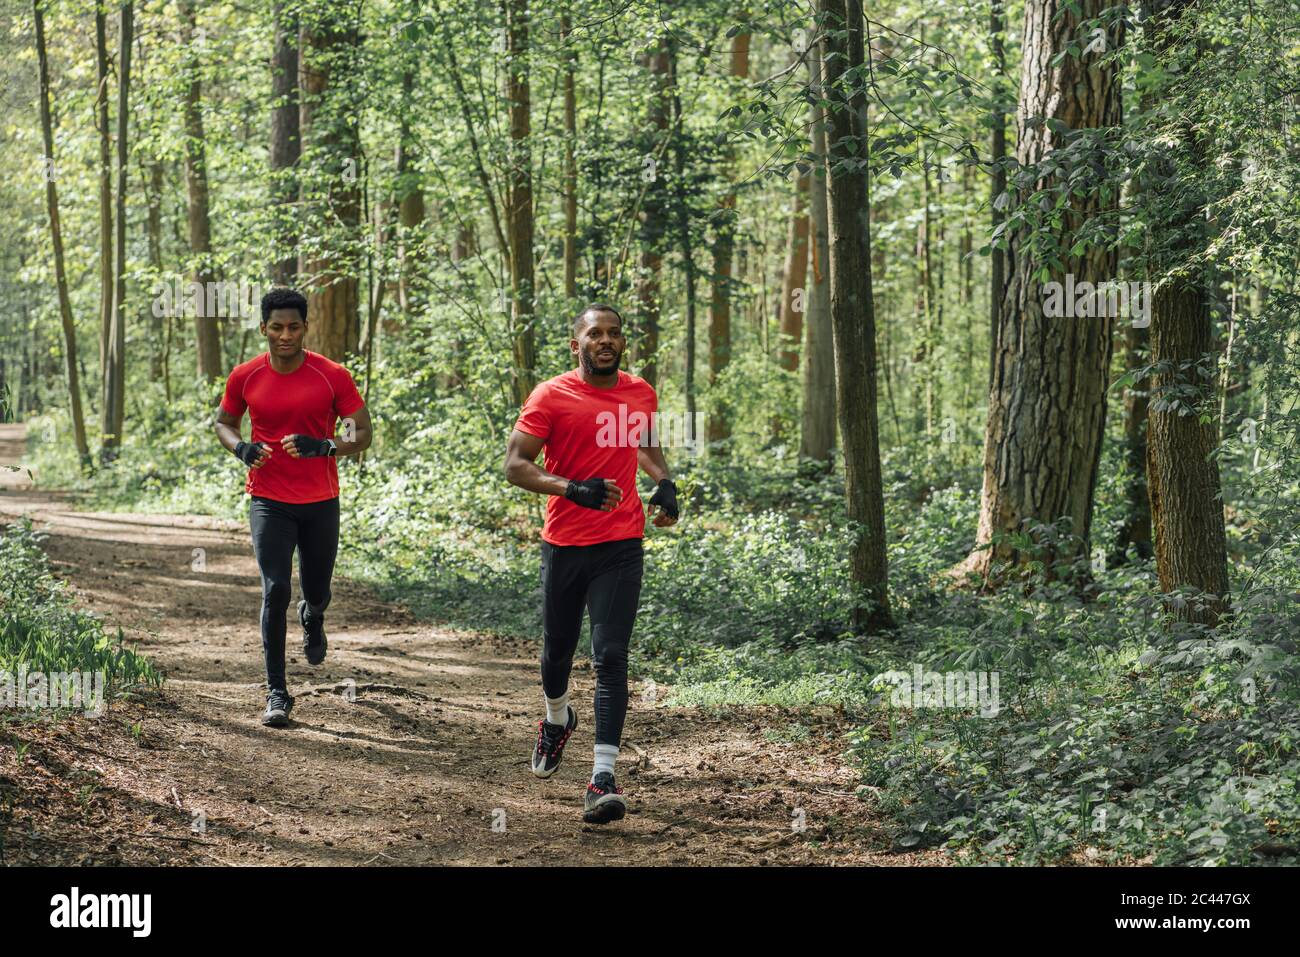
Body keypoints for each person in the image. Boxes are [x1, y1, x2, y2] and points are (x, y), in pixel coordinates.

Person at [504, 303, 680, 823]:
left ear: (623, 343)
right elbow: (515, 465)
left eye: (614, 334)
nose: (605, 341)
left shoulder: (639, 391)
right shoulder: (551, 395)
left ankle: (602, 777)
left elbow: (643, 443)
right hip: (564, 542)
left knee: (610, 655)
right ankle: (557, 720)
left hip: (621, 543)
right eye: (594, 334)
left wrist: (663, 482)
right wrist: (572, 489)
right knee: (557, 651)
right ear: (575, 343)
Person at [214, 287, 373, 727]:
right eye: (277, 327)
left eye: (294, 327)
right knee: (275, 589)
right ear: (263, 328)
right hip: (268, 500)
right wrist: (242, 449)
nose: (286, 335)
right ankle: (277, 692)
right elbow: (224, 422)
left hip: (321, 501)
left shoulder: (332, 375)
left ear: (306, 327)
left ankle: (314, 614)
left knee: (316, 588)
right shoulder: (245, 375)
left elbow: (363, 432)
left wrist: (324, 445)